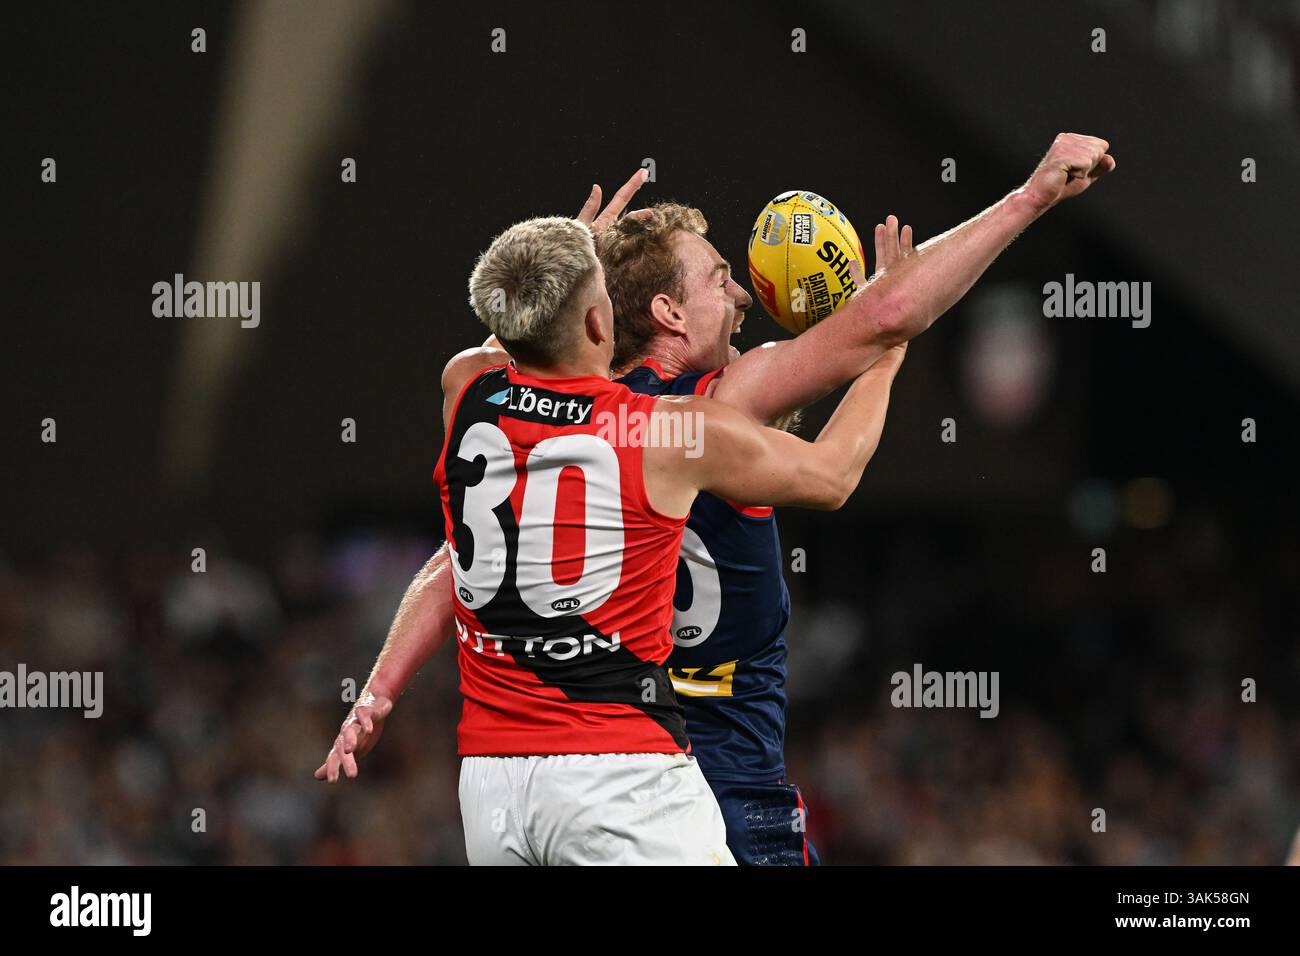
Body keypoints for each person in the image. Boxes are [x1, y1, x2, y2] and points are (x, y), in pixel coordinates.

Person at [317, 132, 1116, 865]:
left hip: (511, 783)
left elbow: (457, 558)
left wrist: (379, 689)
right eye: (722, 278)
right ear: (664, 312)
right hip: (696, 771)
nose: (741, 296)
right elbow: (882, 333)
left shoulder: (494, 403)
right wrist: (1025, 202)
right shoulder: (698, 416)